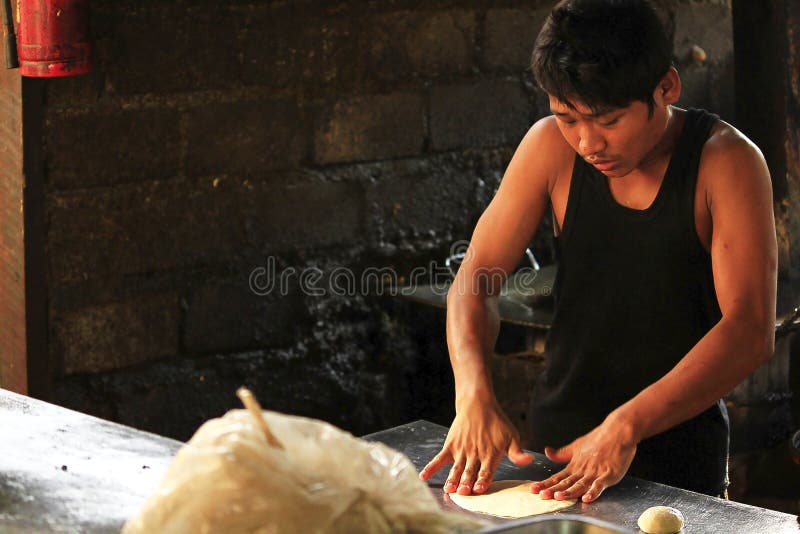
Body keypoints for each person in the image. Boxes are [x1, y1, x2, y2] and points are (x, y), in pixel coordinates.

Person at [419, 0, 777, 503]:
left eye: (607, 120)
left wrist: (626, 426)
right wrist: (472, 392)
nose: (588, 142)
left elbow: (749, 330)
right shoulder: (549, 147)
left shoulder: (727, 162)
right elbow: (476, 281)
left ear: (666, 87)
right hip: (556, 451)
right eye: (566, 117)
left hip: (678, 460)